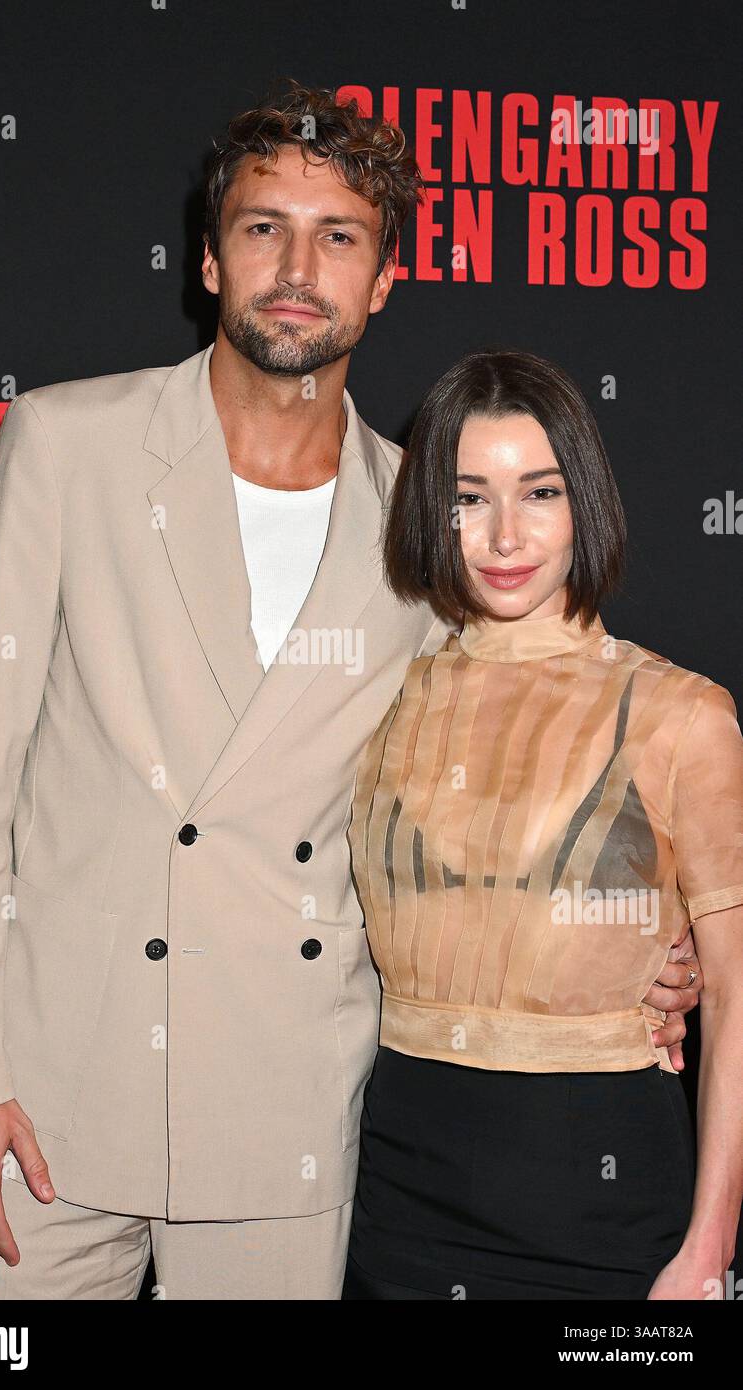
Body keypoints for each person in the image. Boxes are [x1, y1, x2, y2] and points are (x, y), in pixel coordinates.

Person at [0, 84, 702, 1301]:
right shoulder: (66, 447)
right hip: (45, 1107)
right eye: (263, 227)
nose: (296, 266)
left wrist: (640, 936)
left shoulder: (424, 518)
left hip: (285, 1110)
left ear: (383, 281)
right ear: (209, 258)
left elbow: (517, 759)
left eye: (339, 238)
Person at [341, 349, 743, 1300]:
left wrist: (709, 1244)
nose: (506, 535)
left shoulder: (682, 714)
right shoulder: (379, 695)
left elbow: (732, 1001)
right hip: (393, 1183)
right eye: (469, 496)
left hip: (599, 1201)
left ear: (585, 503)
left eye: (541, 492)